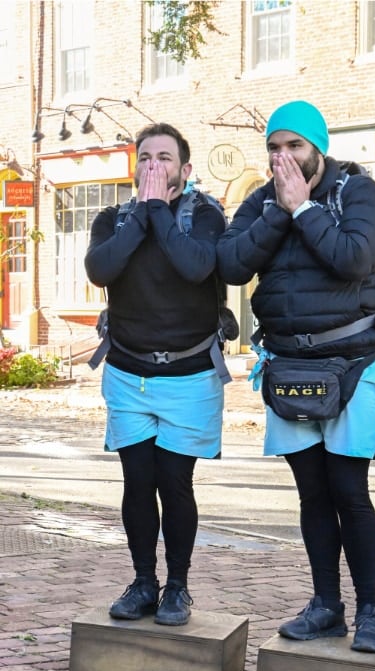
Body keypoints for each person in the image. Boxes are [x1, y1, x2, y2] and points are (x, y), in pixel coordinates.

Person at [216, 100, 375, 654]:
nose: (284, 158)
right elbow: (229, 265)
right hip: (288, 365)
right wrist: (279, 210)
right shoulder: (260, 201)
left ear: (318, 147)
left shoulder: (357, 192)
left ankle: (369, 611)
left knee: (349, 490)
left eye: (295, 146)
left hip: (353, 363)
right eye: (274, 148)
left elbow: (354, 258)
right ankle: (326, 606)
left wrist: (302, 210)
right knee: (312, 494)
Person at [85, 122, 227, 626]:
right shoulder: (112, 219)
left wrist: (159, 213)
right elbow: (101, 270)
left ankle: (178, 588)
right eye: (145, 157)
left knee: (175, 483)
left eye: (165, 158)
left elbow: (195, 267)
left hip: (189, 375)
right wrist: (141, 218)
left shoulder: (205, 215)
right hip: (128, 373)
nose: (153, 166)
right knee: (137, 482)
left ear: (184, 171)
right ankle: (143, 581)